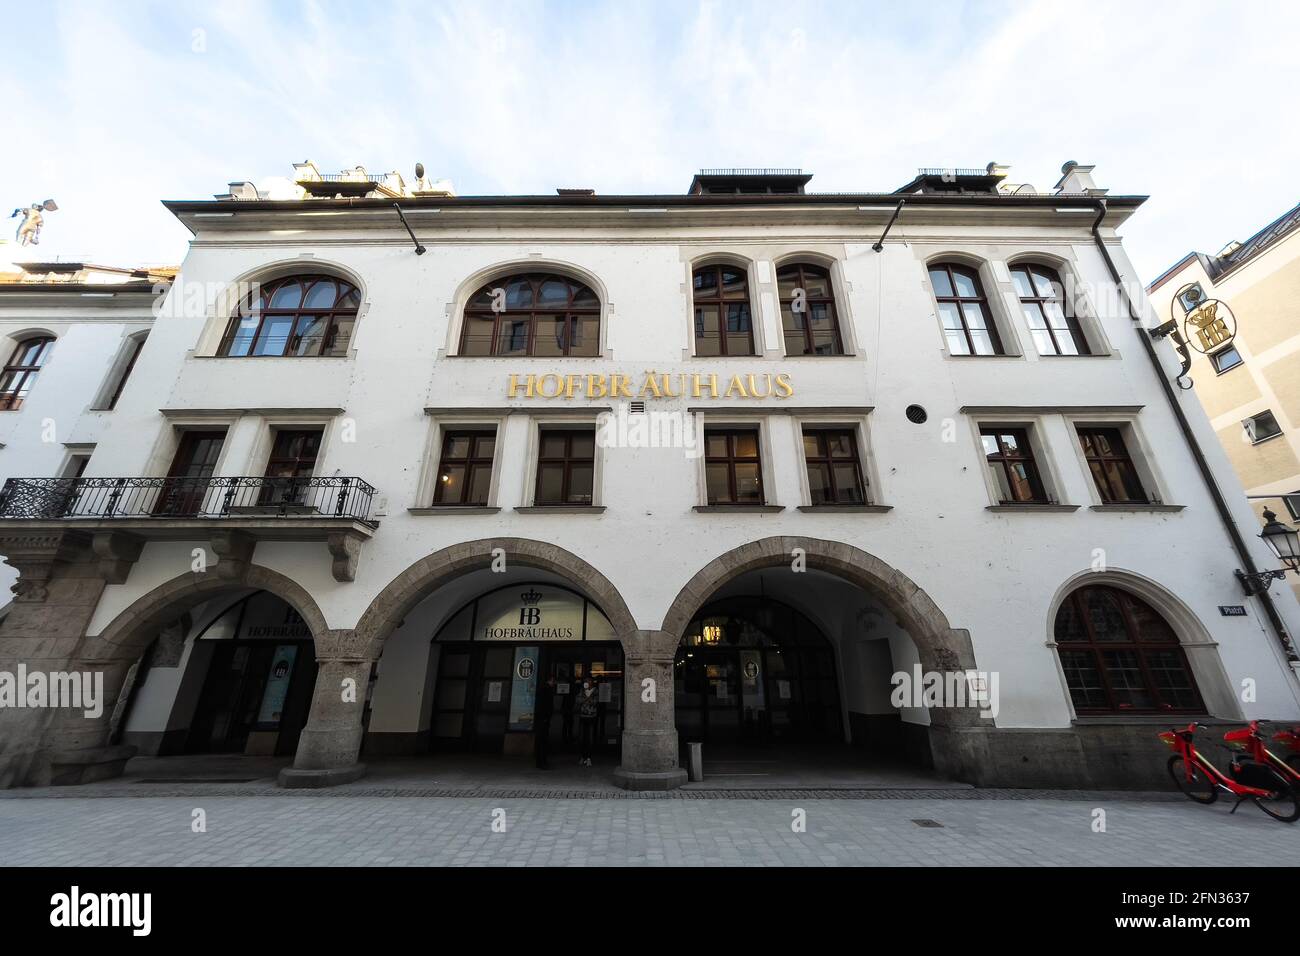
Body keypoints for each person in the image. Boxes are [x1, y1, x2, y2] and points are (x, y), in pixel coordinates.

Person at [534, 675, 556, 770]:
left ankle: (541, 761)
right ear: (550, 681)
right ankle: (542, 762)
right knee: (542, 740)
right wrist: (545, 717)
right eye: (553, 681)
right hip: (543, 718)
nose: (554, 683)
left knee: (541, 741)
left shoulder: (542, 690)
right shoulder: (546, 690)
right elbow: (545, 705)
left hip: (541, 718)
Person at [576, 677, 599, 767]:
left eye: (589, 681)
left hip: (591, 717)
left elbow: (595, 702)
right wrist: (586, 698)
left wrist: (586, 699)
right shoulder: (581, 691)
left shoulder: (595, 691)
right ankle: (583, 756)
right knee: (582, 738)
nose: (587, 683)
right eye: (586, 681)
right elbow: (578, 701)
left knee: (590, 738)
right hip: (583, 716)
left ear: (592, 683)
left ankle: (589, 758)